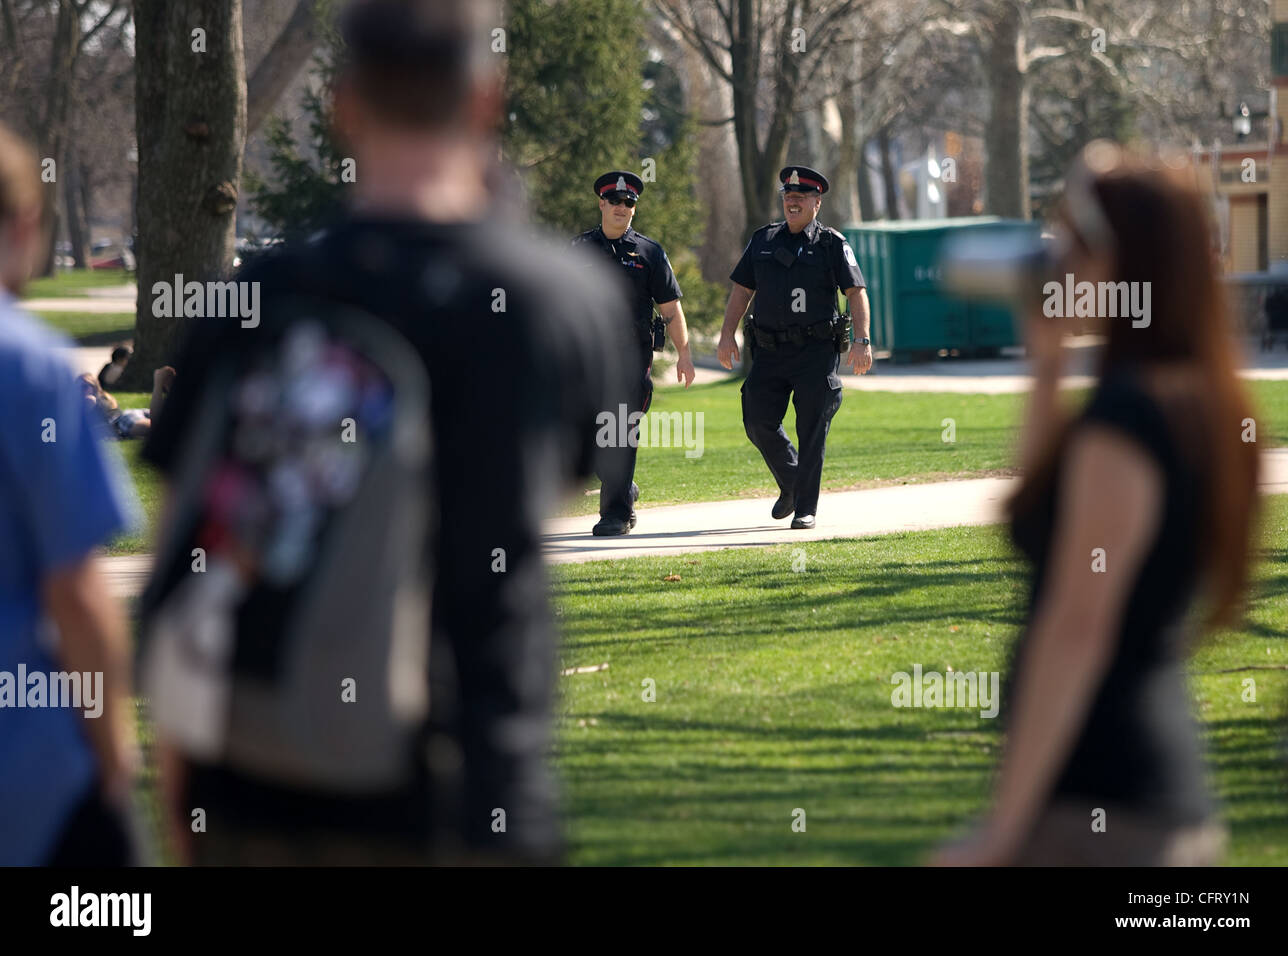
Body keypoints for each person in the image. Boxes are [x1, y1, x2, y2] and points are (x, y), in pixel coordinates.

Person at [141, 0, 634, 865]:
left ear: (344, 103)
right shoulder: (562, 304)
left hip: (261, 789)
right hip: (470, 796)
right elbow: (547, 499)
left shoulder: (262, 299)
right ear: (487, 99)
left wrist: (189, 808)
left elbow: (191, 561)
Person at [933, 142, 1260, 866]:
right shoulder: (1189, 402)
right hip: (1142, 808)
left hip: (1100, 818)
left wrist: (1002, 832)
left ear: (1125, 264)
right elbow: (1042, 510)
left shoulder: (1125, 425)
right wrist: (1048, 365)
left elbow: (1078, 627)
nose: (1057, 260)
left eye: (1076, 241)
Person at [0, 120, 140, 865]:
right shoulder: (28, 370)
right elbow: (78, 593)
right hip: (27, 769)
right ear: (25, 226)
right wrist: (113, 744)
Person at [716, 165, 871, 530]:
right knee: (756, 420)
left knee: (812, 427)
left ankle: (805, 507)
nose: (793, 202)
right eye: (788, 196)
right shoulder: (763, 240)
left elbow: (856, 293)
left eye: (801, 197)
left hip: (815, 353)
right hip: (769, 351)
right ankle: (792, 481)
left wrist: (862, 341)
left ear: (817, 203)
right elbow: (742, 290)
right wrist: (727, 334)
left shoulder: (833, 244)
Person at [572, 170, 695, 536]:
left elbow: (670, 308)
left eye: (629, 203)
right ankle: (624, 487)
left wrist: (685, 354)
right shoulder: (579, 249)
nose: (622, 208)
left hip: (631, 359)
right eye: (615, 201)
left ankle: (615, 515)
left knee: (620, 434)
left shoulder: (649, 252)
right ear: (602, 204)